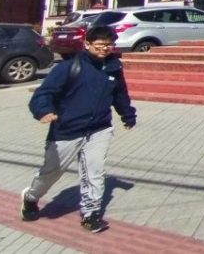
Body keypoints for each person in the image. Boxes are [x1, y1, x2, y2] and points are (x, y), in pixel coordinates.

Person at [21, 24, 137, 233]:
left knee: (94, 172)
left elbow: (120, 94)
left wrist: (127, 115)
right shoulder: (68, 68)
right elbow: (43, 94)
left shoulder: (113, 67)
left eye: (109, 45)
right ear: (87, 44)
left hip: (99, 129)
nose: (105, 49)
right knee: (52, 173)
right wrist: (44, 110)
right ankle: (31, 197)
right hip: (67, 129)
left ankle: (90, 214)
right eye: (100, 45)